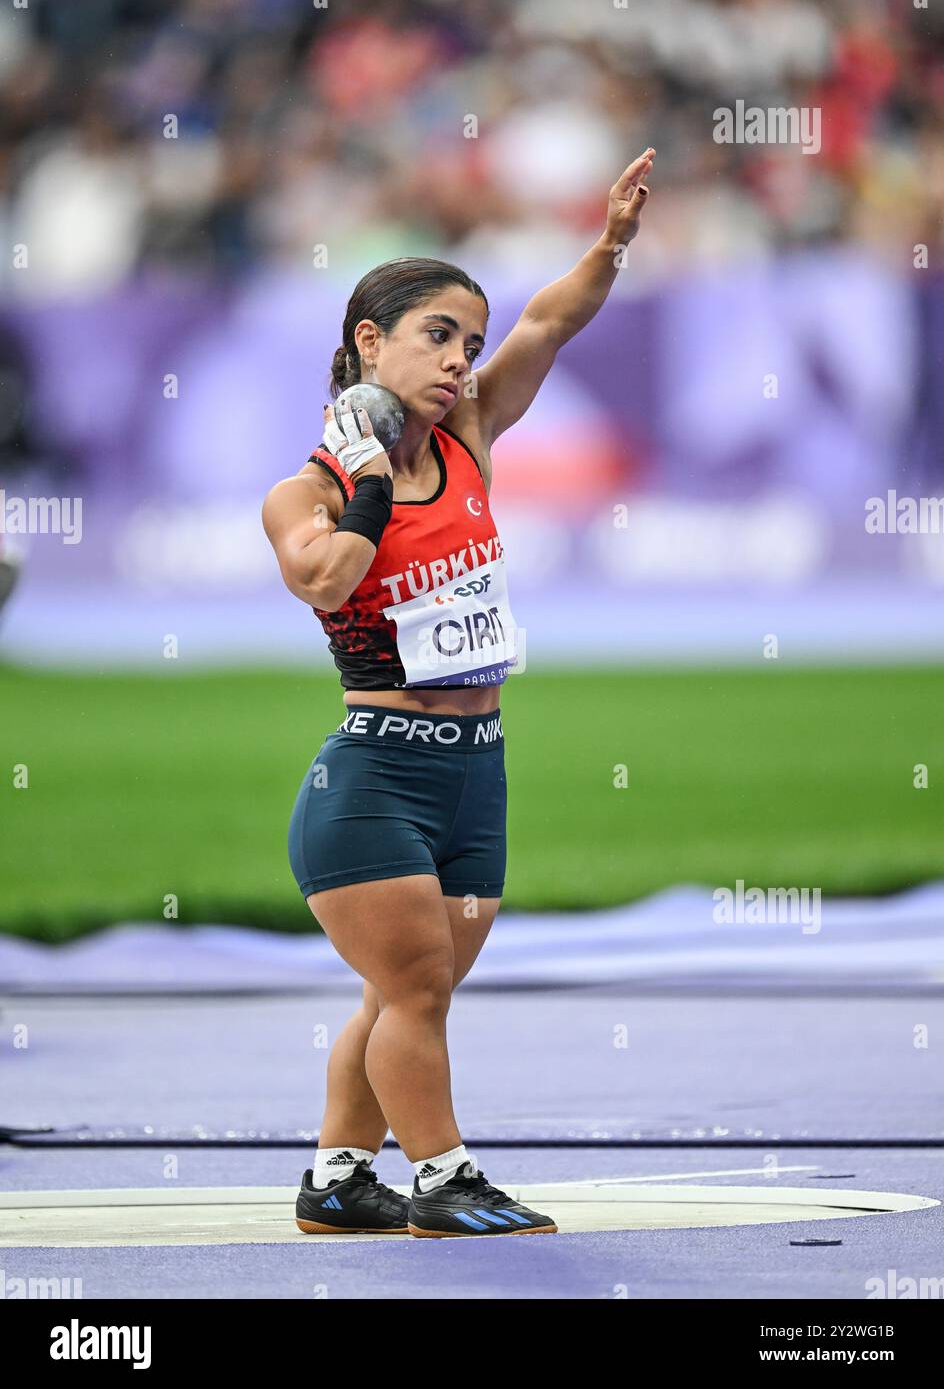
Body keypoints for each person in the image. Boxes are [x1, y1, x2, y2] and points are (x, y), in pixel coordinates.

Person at [261, 148, 654, 1238]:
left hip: (476, 775)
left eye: (467, 343)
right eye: (438, 335)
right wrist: (373, 485)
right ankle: (443, 1182)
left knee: (402, 998)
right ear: (366, 343)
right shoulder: (306, 490)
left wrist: (610, 246)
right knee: (418, 990)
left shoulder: (469, 437)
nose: (460, 360)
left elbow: (548, 327)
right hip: (373, 778)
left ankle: (339, 1178)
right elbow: (324, 578)